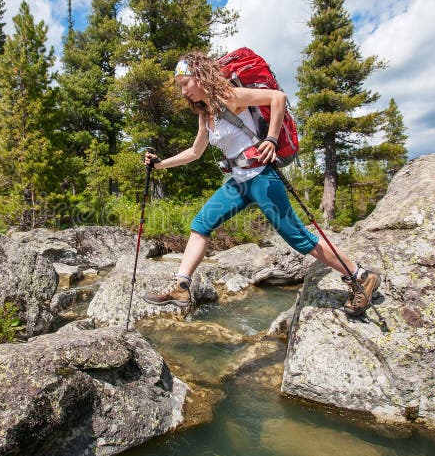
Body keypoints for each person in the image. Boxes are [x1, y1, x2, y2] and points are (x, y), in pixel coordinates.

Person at [141, 51, 381, 318]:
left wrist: (271, 139)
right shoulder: (205, 114)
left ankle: (361, 276)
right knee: (201, 224)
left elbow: (277, 98)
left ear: (199, 76)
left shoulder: (230, 97)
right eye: (180, 87)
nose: (183, 91)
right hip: (238, 184)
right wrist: (160, 164)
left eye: (185, 83)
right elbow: (195, 152)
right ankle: (181, 287)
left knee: (299, 239)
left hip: (262, 178)